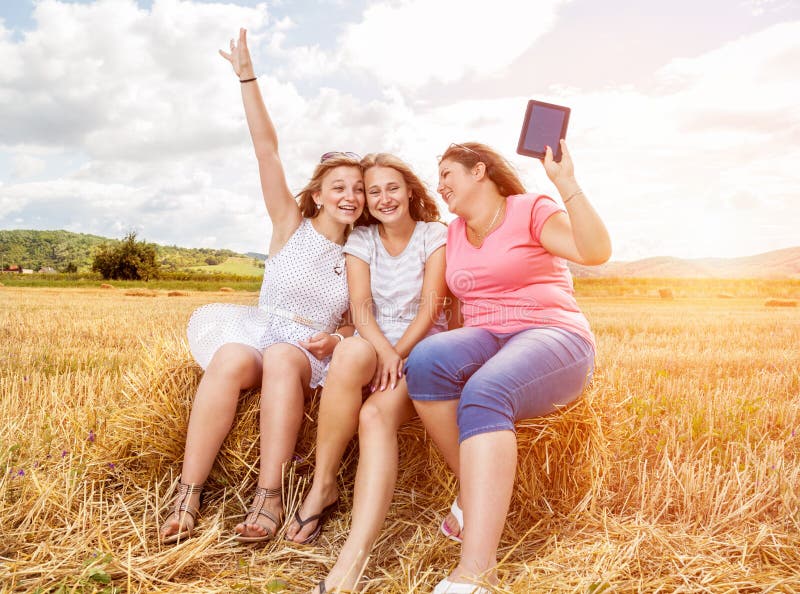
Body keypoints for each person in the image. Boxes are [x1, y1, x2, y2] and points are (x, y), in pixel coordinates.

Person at [158, 28, 365, 545]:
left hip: (307, 351)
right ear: (316, 194)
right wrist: (247, 76)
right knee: (229, 360)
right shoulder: (288, 226)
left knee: (280, 359)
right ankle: (189, 490)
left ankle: (268, 494)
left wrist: (337, 341)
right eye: (339, 186)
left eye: (358, 189)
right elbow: (266, 151)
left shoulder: (363, 252)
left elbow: (356, 319)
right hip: (260, 329)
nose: (351, 195)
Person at [405, 140, 611, 593]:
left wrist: (565, 183)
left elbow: (594, 252)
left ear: (478, 171)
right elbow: (456, 307)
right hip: (487, 334)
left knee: (486, 391)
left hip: (552, 332)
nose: (439, 186)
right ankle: (475, 488)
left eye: (446, 175)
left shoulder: (529, 209)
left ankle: (478, 573)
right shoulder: (453, 232)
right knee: (424, 362)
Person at [284, 153, 448, 593]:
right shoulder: (362, 239)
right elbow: (361, 309)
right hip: (379, 341)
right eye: (373, 191)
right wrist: (383, 350)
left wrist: (401, 353)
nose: (382, 198)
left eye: (391, 187)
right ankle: (323, 485)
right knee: (350, 353)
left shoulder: (434, 235)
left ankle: (352, 561)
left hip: (423, 345)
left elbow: (432, 307)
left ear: (411, 190)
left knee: (374, 416)